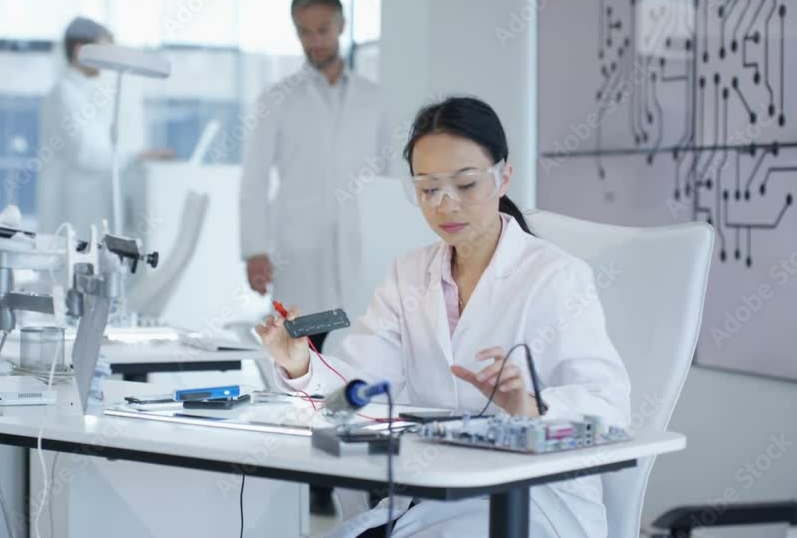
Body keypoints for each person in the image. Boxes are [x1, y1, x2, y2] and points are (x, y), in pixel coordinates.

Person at [255, 97, 632, 537]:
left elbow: (610, 407)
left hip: (533, 503)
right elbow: (360, 391)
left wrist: (532, 409)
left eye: (466, 185)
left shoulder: (557, 277)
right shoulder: (408, 275)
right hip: (434, 496)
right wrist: (299, 363)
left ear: (504, 177)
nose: (445, 205)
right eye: (429, 189)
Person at [240, 0, 392, 355]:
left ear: (340, 26)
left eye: (322, 29)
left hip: (361, 243)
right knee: (301, 350)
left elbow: (389, 176)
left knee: (359, 347)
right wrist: (255, 249)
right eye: (305, 31)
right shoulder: (277, 99)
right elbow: (255, 179)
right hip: (299, 248)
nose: (315, 40)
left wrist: (391, 239)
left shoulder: (375, 98)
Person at [37, 16, 174, 236]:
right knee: (70, 263)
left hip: (91, 205)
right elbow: (85, 152)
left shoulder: (88, 91)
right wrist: (135, 156)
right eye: (104, 50)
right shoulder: (64, 93)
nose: (109, 60)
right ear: (80, 49)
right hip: (73, 208)